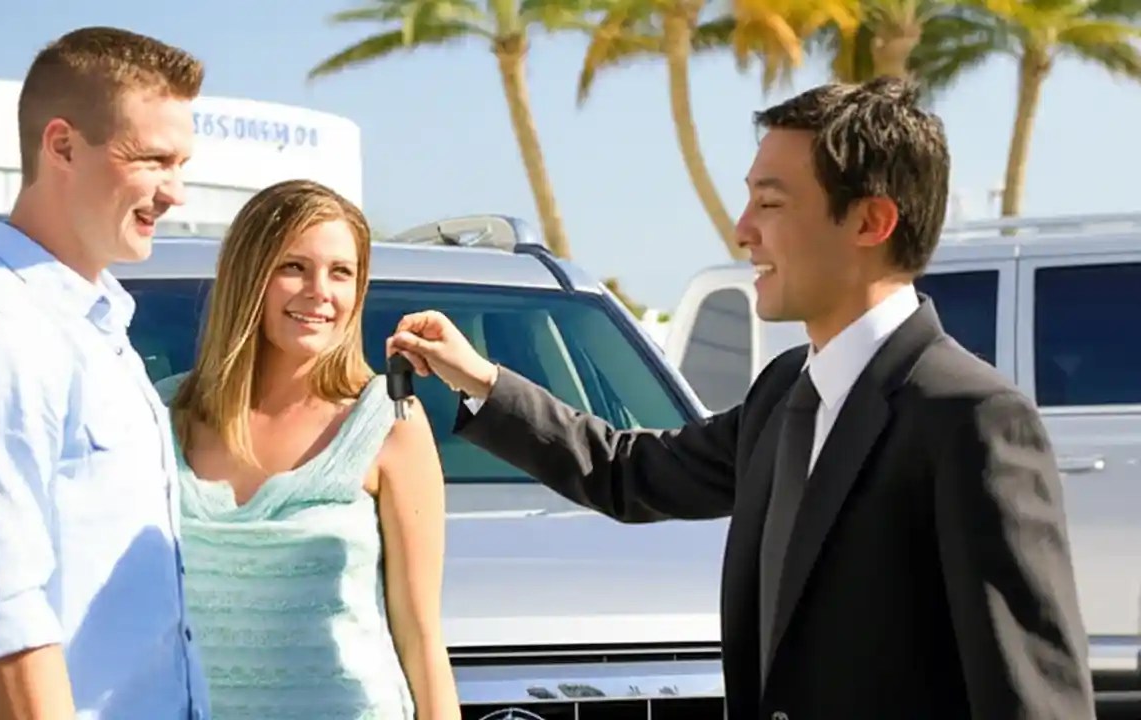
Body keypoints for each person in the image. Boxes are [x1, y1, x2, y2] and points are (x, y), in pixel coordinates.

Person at [387, 77, 1094, 720]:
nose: (742, 229)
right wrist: (480, 379)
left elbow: (1032, 698)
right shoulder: (785, 392)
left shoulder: (972, 418)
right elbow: (626, 470)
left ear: (870, 222)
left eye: (771, 203)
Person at [0, 26, 209, 720]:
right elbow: (1, 622)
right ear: (61, 145)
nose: (176, 192)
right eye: (154, 160)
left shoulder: (95, 330)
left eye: (181, 165)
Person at [154, 179, 459, 719]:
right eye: (294, 266)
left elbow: (420, 637)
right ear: (248, 275)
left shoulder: (389, 421)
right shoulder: (162, 415)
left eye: (341, 272)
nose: (320, 291)